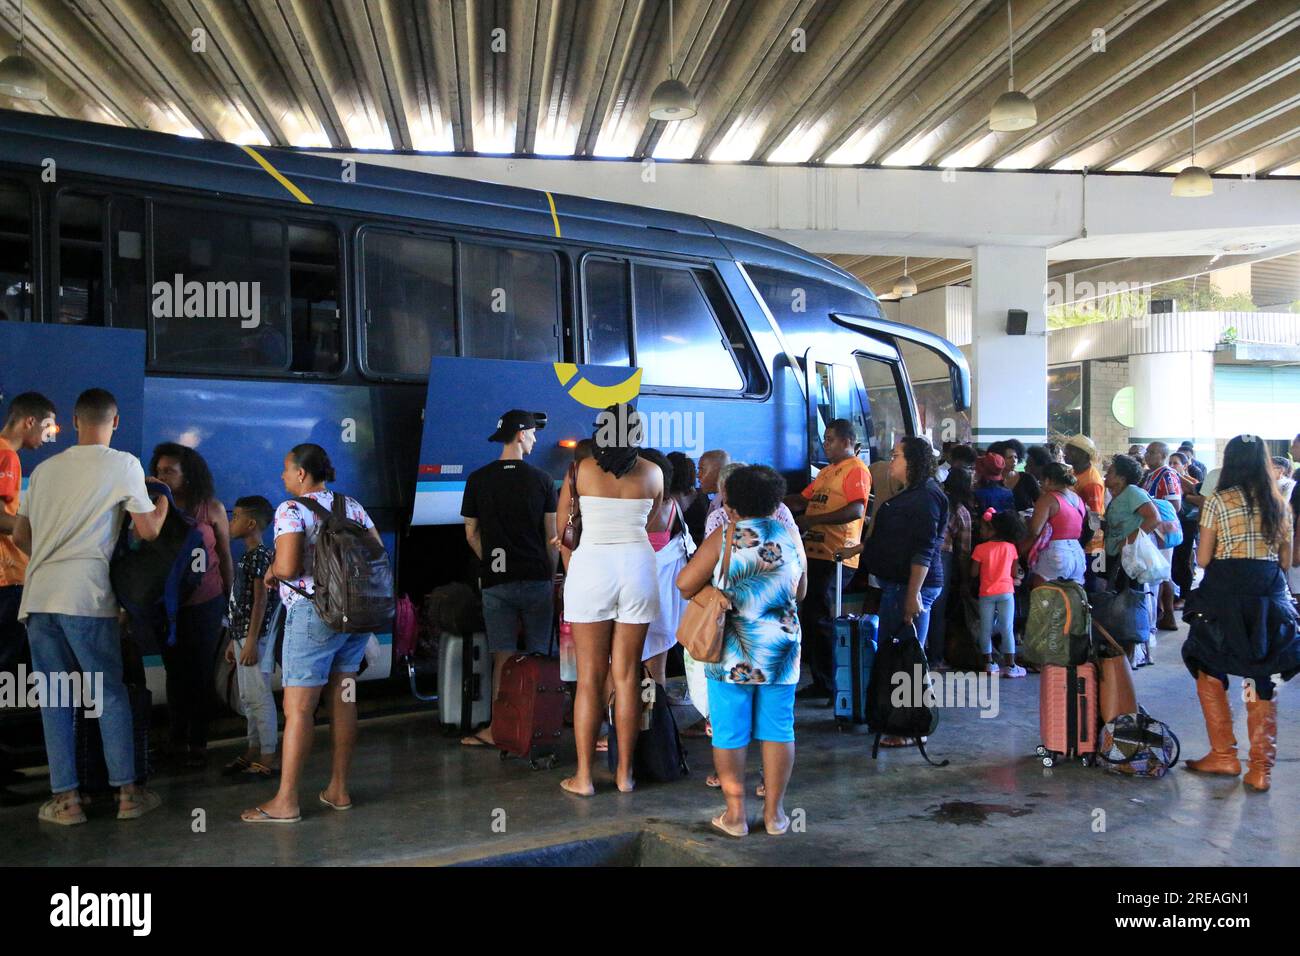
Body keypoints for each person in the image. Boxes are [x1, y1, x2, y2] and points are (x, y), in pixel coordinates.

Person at [12, 388, 169, 824]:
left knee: (56, 699)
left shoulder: (43, 470)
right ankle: (127, 797)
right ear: (114, 423)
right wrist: (161, 502)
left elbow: (22, 537)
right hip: (86, 596)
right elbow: (149, 531)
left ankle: (66, 802)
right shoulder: (123, 464)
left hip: (39, 597)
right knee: (107, 694)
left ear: (74, 423)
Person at [242, 443, 379, 823]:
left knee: (299, 709)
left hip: (313, 613)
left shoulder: (291, 509)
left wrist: (270, 573)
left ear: (301, 473)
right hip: (352, 618)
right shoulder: (351, 506)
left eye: (286, 470)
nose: (283, 477)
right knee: (343, 699)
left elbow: (287, 567)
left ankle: (285, 801)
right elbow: (377, 552)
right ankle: (339, 789)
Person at [676, 465, 805, 837]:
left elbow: (685, 584)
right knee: (779, 730)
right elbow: (800, 592)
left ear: (732, 504)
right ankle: (776, 816)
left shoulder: (726, 535)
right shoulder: (789, 536)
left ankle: (735, 816)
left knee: (729, 732)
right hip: (780, 648)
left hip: (732, 648)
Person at [555, 404, 662, 796]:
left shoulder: (578, 471)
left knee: (589, 678)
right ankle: (625, 775)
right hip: (637, 566)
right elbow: (652, 525)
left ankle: (583, 777)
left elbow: (562, 530)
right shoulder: (653, 473)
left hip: (591, 568)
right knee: (628, 675)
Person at [1183, 434, 1300, 792]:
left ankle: (1224, 754)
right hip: (1268, 592)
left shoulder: (1218, 499)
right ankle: (1260, 769)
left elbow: (1202, 559)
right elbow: (1286, 559)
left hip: (1224, 593)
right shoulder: (1280, 503)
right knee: (1261, 673)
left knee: (1208, 662)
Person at [459, 410, 558, 748]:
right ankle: (539, 724)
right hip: (535, 579)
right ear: (520, 435)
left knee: (502, 655)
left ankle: (499, 730)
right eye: (532, 434)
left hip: (496, 582)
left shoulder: (478, 479)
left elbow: (471, 532)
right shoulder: (542, 480)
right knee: (539, 655)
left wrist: (492, 561)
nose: (535, 439)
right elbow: (551, 536)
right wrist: (551, 571)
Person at [841, 436, 947, 744]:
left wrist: (913, 594)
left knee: (905, 656)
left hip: (909, 588)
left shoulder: (925, 497)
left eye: (897, 456)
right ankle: (902, 722)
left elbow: (923, 550)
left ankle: (909, 727)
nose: (891, 462)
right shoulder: (914, 494)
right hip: (898, 586)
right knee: (899, 654)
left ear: (913, 461)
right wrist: (857, 550)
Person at [150, 442, 233, 768]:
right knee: (174, 672)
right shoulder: (154, 506)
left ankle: (198, 742)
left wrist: (229, 599)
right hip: (167, 606)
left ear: (189, 474)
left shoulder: (211, 508)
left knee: (199, 673)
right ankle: (176, 739)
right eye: (158, 470)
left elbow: (225, 555)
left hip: (205, 602)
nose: (162, 475)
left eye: (169, 470)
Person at [784, 419, 870, 704]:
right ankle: (822, 681)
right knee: (812, 617)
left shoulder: (856, 469)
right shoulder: (826, 472)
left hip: (837, 555)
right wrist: (772, 497)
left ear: (847, 440)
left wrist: (813, 520)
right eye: (825, 438)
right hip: (813, 554)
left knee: (822, 619)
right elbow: (802, 499)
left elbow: (857, 509)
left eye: (831, 439)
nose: (826, 443)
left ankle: (835, 685)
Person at [0, 392, 56, 784]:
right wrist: (34, 529)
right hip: (7, 579)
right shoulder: (7, 456)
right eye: (49, 425)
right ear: (29, 422)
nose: (51, 434)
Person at [221, 495, 279, 778]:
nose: (231, 523)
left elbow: (260, 601)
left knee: (259, 695)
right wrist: (236, 639)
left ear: (251, 523)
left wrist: (252, 641)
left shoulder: (260, 556)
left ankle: (269, 755)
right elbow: (241, 602)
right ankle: (253, 748)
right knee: (247, 696)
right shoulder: (248, 555)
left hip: (255, 637)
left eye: (236, 517)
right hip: (244, 636)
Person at [640, 449, 691, 688]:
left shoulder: (635, 509)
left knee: (622, 669)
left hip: (634, 600)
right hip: (665, 607)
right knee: (655, 671)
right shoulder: (673, 507)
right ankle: (655, 718)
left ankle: (625, 720)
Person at [1102, 454, 1160, 663]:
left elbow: (1153, 518)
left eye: (1110, 472)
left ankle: (1130, 653)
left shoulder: (1133, 493)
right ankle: (1120, 650)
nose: (1106, 476)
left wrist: (1128, 541)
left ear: (1122, 477)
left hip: (1129, 559)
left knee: (1128, 603)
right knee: (1119, 600)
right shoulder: (1117, 496)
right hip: (1116, 557)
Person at [927, 464, 974, 669]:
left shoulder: (935, 500)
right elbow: (964, 551)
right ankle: (935, 658)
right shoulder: (961, 511)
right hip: (942, 557)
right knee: (938, 609)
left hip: (921, 552)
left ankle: (913, 654)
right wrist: (965, 580)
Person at [971, 509, 1027, 676]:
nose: (980, 531)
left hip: (986, 594)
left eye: (983, 529)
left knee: (985, 628)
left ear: (993, 530)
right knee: (1007, 628)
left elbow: (973, 573)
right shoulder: (1011, 548)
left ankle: (989, 663)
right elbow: (1015, 573)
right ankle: (1010, 666)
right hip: (1006, 592)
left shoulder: (980, 549)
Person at [1025, 463, 1087, 587]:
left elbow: (1035, 531)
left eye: (1041, 481)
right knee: (1071, 599)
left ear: (1048, 481)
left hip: (1056, 552)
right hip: (1077, 553)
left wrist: (1028, 521)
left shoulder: (1048, 498)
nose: (1040, 484)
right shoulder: (1078, 499)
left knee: (1044, 598)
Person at [1141, 442, 1182, 632]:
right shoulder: (1151, 475)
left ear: (1163, 455)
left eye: (1152, 452)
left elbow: (1175, 505)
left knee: (1163, 573)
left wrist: (1153, 509)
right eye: (1147, 452)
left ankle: (1168, 615)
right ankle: (1160, 613)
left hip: (1162, 530)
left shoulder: (1167, 474)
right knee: (1157, 572)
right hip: (1154, 530)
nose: (1147, 455)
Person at [1063, 434, 1106, 587]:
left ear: (1082, 454)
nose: (1065, 454)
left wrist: (1082, 543)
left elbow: (1095, 517)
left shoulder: (1091, 482)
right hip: (1080, 540)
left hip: (1092, 546)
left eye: (1070, 451)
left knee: (1090, 585)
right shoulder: (1074, 473)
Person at [1169, 452, 1201, 606]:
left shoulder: (1191, 481)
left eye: (1175, 463)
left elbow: (1198, 495)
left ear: (1185, 465)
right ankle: (1173, 593)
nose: (1172, 466)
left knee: (1183, 558)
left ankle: (1184, 595)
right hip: (1173, 523)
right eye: (1170, 463)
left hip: (1188, 522)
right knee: (1173, 558)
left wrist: (1178, 477)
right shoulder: (1168, 481)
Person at [685, 449, 728, 545]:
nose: (697, 475)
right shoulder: (715, 501)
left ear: (719, 471)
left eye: (701, 469)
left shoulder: (727, 508)